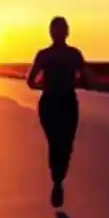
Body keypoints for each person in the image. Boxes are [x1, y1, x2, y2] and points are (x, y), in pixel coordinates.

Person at [27, 16, 91, 208]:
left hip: (60, 102)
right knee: (60, 144)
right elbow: (31, 81)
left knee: (61, 144)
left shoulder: (68, 55)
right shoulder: (57, 55)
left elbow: (31, 82)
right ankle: (57, 179)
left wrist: (46, 85)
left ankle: (58, 180)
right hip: (55, 103)